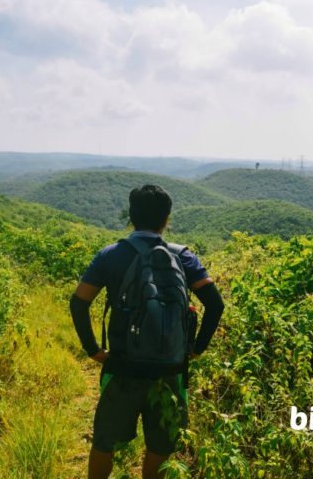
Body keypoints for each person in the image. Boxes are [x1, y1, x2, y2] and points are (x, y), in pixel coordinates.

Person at [69, 184, 225, 479]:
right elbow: (215, 305)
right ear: (167, 219)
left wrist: (94, 351)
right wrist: (196, 349)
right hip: (170, 371)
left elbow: (79, 303)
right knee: (160, 449)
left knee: (104, 443)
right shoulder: (183, 257)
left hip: (123, 367)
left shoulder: (111, 255)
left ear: (131, 216)